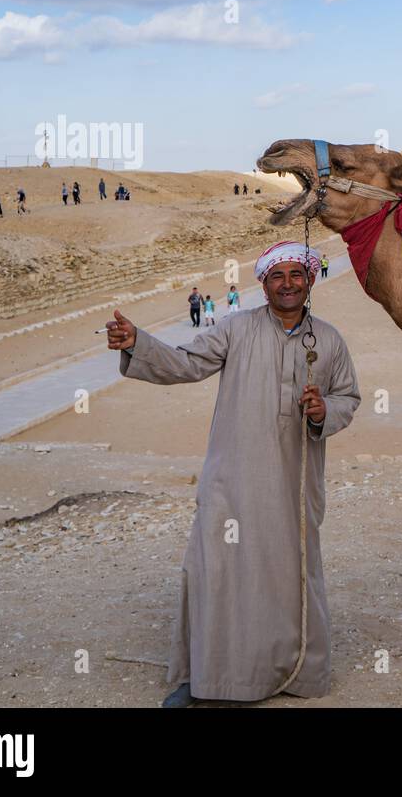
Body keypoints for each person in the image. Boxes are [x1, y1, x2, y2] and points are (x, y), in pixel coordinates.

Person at [105, 240, 360, 707]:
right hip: (232, 476)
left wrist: (325, 410)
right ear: (262, 284)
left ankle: (292, 671)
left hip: (293, 483)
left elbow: (349, 397)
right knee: (215, 565)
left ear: (309, 281)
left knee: (286, 570)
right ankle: (205, 676)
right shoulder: (235, 329)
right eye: (276, 276)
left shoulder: (328, 340)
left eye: (296, 275)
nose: (288, 283)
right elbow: (186, 362)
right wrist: (139, 342)